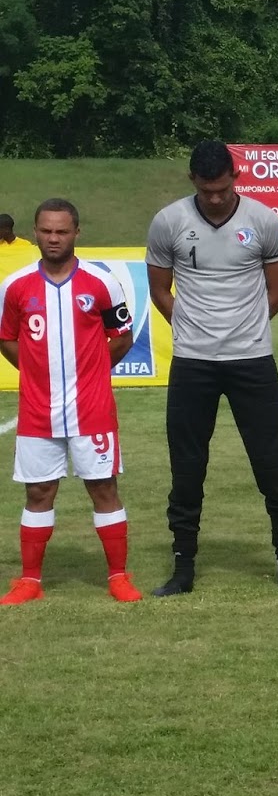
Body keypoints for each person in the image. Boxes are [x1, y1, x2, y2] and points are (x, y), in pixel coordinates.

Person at [145, 140, 278, 594]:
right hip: (193, 363)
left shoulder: (263, 220)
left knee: (273, 462)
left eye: (222, 189)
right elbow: (160, 289)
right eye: (206, 190)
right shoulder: (169, 221)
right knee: (187, 465)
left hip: (252, 360)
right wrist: (191, 327)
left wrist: (244, 329)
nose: (215, 198)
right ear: (192, 180)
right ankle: (182, 570)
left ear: (235, 177)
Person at [0, 199, 141, 604]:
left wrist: (93, 372)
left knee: (104, 488)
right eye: (46, 231)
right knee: (38, 492)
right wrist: (34, 371)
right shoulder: (17, 285)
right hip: (37, 410)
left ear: (77, 232)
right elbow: (7, 338)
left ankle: (118, 576)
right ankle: (30, 581)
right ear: (36, 232)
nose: (53, 238)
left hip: (92, 407)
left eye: (61, 231)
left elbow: (123, 337)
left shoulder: (101, 283)